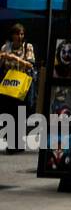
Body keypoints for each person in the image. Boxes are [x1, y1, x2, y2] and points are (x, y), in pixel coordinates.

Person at [1, 23, 36, 153]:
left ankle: (18, 144)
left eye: (21, 34)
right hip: (9, 84)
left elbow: (30, 65)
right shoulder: (6, 47)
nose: (20, 36)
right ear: (12, 35)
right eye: (17, 34)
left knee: (20, 114)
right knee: (9, 113)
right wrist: (3, 56)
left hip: (21, 85)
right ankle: (11, 144)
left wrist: (14, 58)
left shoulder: (28, 47)